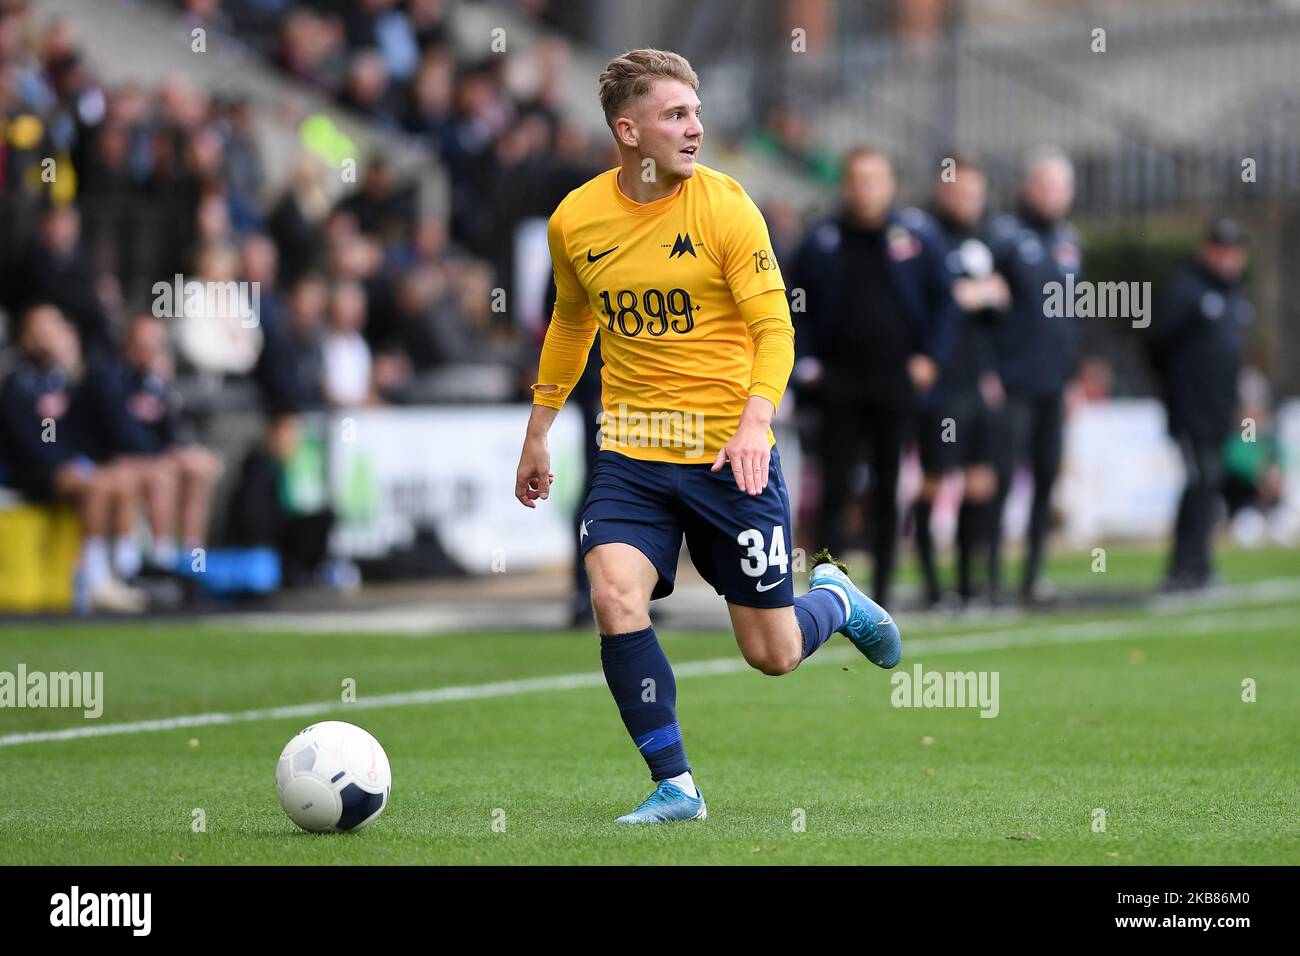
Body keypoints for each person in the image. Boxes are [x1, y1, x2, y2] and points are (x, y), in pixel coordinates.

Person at [513, 49, 900, 825]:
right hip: (630, 452)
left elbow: (773, 328)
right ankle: (676, 785)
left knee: (774, 653)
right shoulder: (576, 220)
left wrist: (757, 421)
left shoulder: (726, 207)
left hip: (729, 454)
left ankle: (831, 598)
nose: (696, 128)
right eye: (675, 115)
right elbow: (571, 324)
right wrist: (539, 431)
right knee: (613, 594)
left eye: (695, 112)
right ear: (628, 131)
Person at [790, 147, 958, 608]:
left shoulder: (918, 235)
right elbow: (791, 302)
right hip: (838, 384)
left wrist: (930, 359)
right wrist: (806, 365)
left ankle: (880, 594)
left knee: (888, 489)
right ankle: (828, 593)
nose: (866, 188)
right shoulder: (822, 238)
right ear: (845, 185)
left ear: (890, 184)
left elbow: (946, 302)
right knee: (835, 488)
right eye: (857, 179)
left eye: (875, 179)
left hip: (896, 382)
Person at [0, 304, 145, 611]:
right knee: (94, 486)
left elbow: (93, 427)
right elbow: (26, 441)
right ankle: (94, 577)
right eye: (38, 331)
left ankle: (123, 565)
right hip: (34, 471)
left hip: (72, 464)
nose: (45, 338)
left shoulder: (69, 379)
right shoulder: (18, 383)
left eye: (52, 330)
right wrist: (63, 464)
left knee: (122, 478)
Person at [986, 147, 1083, 603]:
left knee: (1046, 480)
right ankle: (989, 575)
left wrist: (1073, 377)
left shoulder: (1070, 244)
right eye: (1046, 185)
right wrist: (990, 369)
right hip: (1012, 381)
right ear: (1029, 187)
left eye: (1062, 187)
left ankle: (1033, 575)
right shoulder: (1004, 238)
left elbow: (1071, 316)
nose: (1054, 195)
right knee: (1001, 479)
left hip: (1053, 385)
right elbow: (983, 311)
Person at [911, 157, 1009, 606]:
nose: (968, 200)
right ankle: (933, 586)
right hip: (942, 383)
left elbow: (999, 299)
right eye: (960, 191)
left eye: (975, 192)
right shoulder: (926, 238)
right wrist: (971, 294)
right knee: (934, 479)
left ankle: (971, 585)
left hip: (977, 380)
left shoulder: (984, 239)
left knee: (981, 480)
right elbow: (937, 299)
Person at [1148, 218, 1253, 590]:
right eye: (1221, 250)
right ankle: (1182, 565)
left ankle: (1201, 562)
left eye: (1233, 251)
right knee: (1199, 480)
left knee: (1212, 483)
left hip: (1220, 410)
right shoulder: (1187, 291)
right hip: (1191, 410)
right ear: (1206, 250)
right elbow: (1156, 344)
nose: (1227, 258)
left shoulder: (1235, 297)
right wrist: (1177, 391)